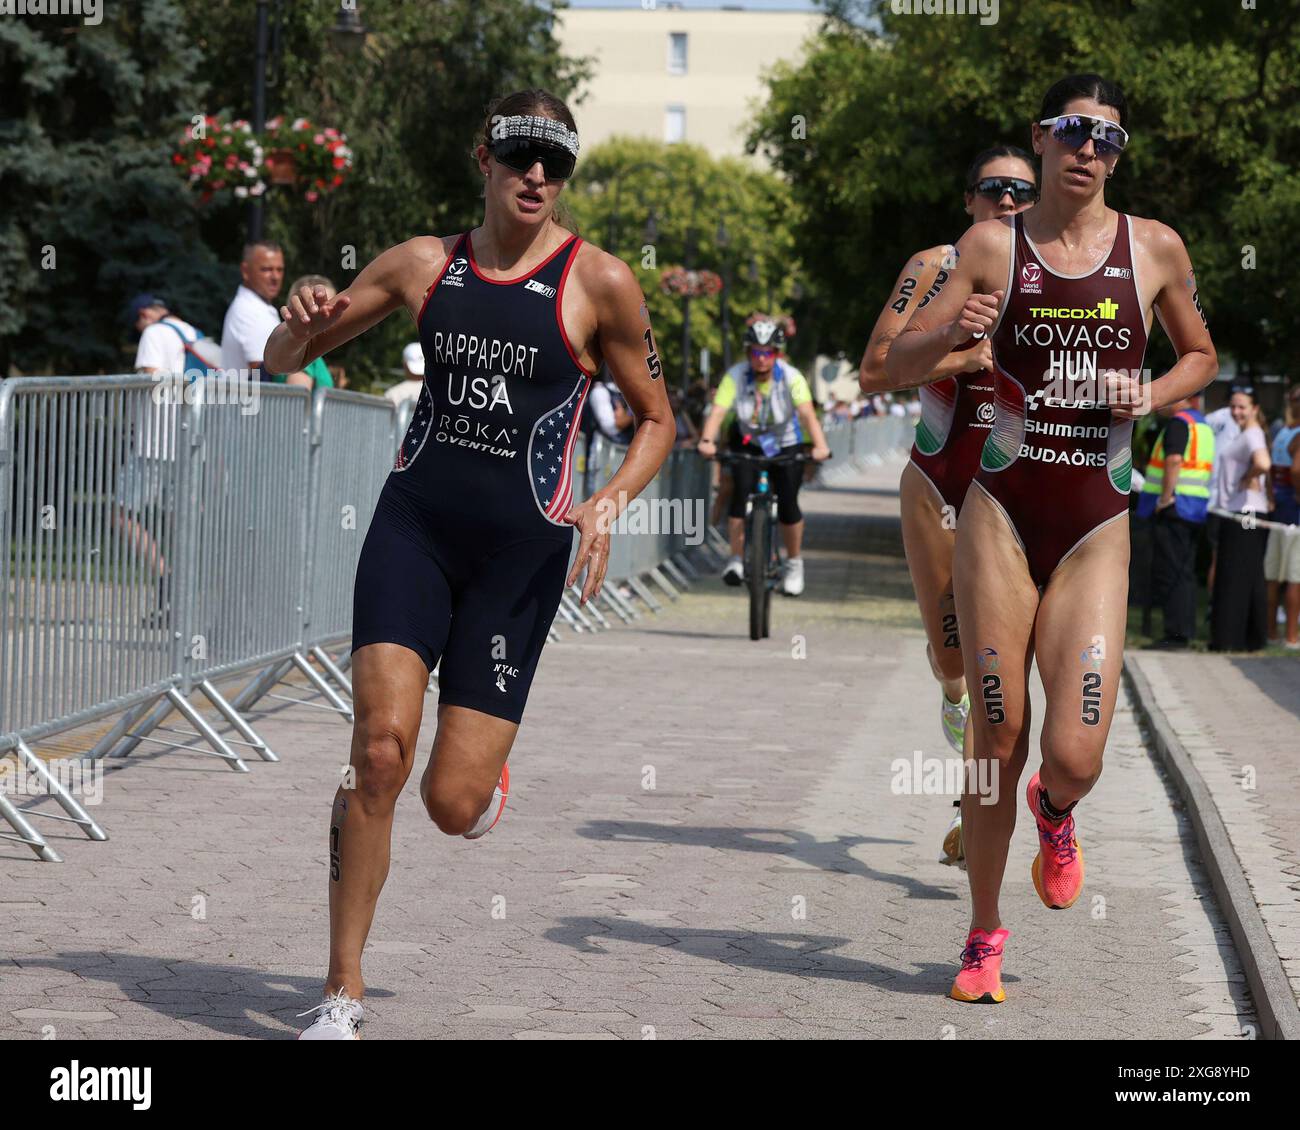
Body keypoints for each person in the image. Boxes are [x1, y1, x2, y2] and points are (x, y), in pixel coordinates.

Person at [264, 89, 673, 1040]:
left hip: (519, 561)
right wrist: (298, 320)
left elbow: (658, 416)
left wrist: (609, 497)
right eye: (523, 153)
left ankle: (480, 785)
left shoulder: (599, 281)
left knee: (449, 802)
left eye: (557, 162)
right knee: (378, 754)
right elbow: (289, 355)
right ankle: (341, 990)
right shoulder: (422, 265)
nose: (538, 174)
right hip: (413, 531)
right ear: (482, 158)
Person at [887, 74, 1217, 1004]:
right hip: (999, 513)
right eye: (1075, 131)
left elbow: (1202, 353)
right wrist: (956, 330)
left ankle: (1057, 811)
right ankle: (984, 933)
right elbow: (894, 363)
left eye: (1110, 139)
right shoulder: (991, 245)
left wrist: (1149, 394)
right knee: (998, 736)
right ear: (1041, 138)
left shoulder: (1152, 249)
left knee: (1073, 754)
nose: (1090, 150)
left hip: (1095, 524)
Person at [860, 144, 1038, 868]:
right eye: (994, 189)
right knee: (955, 658)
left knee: (1015, 667)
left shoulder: (1061, 271)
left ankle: (983, 806)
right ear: (969, 200)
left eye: (1023, 190)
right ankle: (954, 699)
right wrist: (965, 355)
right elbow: (875, 371)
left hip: (1015, 493)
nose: (1008, 201)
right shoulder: (933, 267)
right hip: (939, 481)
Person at [696, 316, 831, 596]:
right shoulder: (735, 376)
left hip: (785, 443)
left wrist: (820, 446)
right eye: (755, 352)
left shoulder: (791, 377)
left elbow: (806, 414)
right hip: (748, 441)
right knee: (739, 495)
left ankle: (794, 564)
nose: (761, 359)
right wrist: (707, 440)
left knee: (788, 504)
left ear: (777, 354)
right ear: (748, 353)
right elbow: (719, 411)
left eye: (767, 353)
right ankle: (735, 559)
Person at [1136, 393, 1215, 648]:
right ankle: (1185, 631)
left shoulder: (1179, 423)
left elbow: (1173, 460)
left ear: (1181, 397)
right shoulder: (1201, 425)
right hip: (1193, 508)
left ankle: (1175, 635)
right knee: (1184, 572)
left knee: (1171, 572)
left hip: (1174, 507)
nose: (1158, 400)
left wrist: (1164, 499)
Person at [1210, 387, 1271, 651]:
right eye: (1233, 406)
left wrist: (1247, 478)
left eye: (1242, 407)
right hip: (1240, 511)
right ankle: (1251, 637)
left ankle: (1230, 639)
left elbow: (1264, 463)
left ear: (1255, 408)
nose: (1237, 412)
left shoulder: (1253, 433)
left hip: (1245, 512)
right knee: (1249, 574)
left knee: (1236, 574)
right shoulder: (1245, 432)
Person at [221, 240, 303, 381]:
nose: (275, 277)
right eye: (266, 269)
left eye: (280, 269)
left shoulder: (255, 307)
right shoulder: (250, 311)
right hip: (252, 401)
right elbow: (265, 376)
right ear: (245, 271)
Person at [1265, 384, 1300, 646]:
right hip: (1294, 508)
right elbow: (1297, 470)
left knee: (1274, 575)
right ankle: (1291, 636)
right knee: (1294, 577)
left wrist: (1271, 495)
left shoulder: (1282, 432)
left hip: (1278, 505)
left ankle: (1271, 633)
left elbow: (1270, 469)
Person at [275, 275, 339, 388]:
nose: (329, 313)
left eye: (332, 306)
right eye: (320, 305)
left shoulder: (308, 353)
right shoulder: (303, 357)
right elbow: (297, 403)